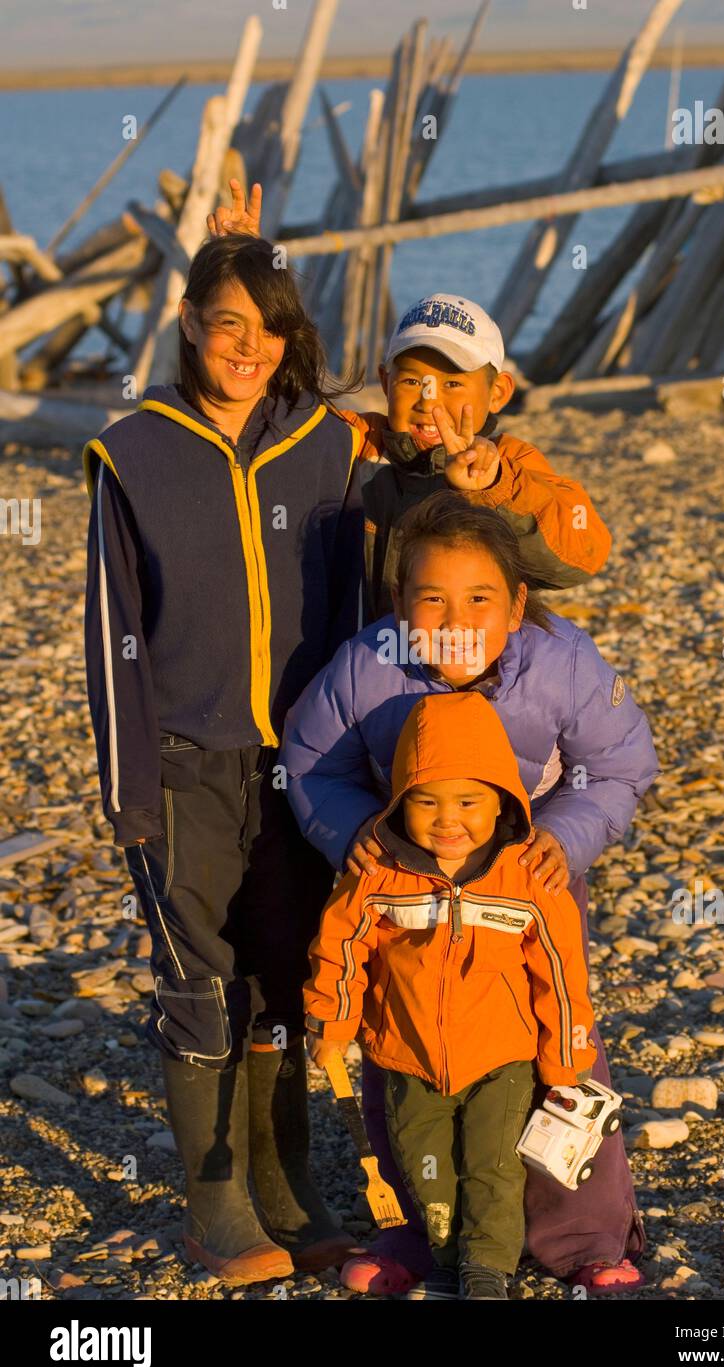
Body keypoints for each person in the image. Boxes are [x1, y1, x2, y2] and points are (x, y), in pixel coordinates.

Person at [281, 491, 659, 1295]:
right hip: (408, 894)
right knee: (399, 1058)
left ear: (517, 602)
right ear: (398, 604)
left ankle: (582, 1234)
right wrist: (361, 844)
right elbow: (311, 762)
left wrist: (561, 838)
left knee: (561, 1053)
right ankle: (423, 1232)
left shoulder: (561, 662)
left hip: (531, 886)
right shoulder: (367, 666)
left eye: (479, 599)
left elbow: (620, 764)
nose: (455, 619)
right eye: (431, 599)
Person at [83, 233, 366, 1283]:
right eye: (226, 323)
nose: (247, 347)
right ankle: (213, 1207)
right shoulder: (133, 452)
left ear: (291, 334)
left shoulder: (328, 447)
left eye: (269, 326)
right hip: (182, 764)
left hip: (304, 763)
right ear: (191, 323)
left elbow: (353, 611)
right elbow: (110, 631)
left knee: (281, 981)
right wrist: (129, 791)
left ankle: (283, 1186)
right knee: (197, 984)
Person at [304, 690, 598, 1299]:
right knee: (424, 1167)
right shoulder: (378, 873)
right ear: (400, 804)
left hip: (503, 1056)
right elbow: (340, 946)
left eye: (468, 801)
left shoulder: (527, 878)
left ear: (501, 805)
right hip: (406, 1055)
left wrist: (565, 1062)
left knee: (492, 1166)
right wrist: (331, 1024)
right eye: (425, 801)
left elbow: (562, 973)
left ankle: (488, 1270)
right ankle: (443, 1261)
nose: (447, 819)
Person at [208, 180, 612, 620]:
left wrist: (493, 490)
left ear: (498, 394)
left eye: (453, 384)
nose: (429, 400)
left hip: (452, 671)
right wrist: (249, 277)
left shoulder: (510, 467)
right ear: (384, 382)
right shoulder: (355, 445)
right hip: (355, 671)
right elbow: (265, 408)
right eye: (411, 381)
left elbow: (582, 556)